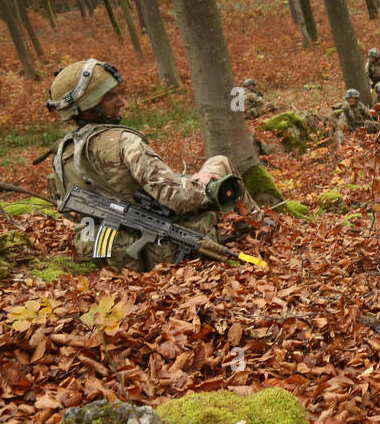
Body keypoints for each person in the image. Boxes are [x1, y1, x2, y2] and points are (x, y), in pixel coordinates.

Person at [45, 59, 239, 272]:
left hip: (99, 251)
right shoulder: (124, 142)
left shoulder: (64, 151)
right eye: (110, 96)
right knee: (219, 162)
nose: (121, 102)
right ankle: (257, 227)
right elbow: (177, 198)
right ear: (88, 105)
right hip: (153, 249)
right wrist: (204, 186)